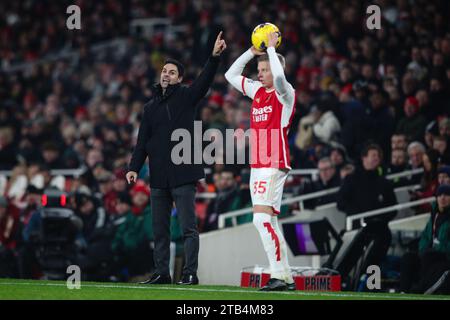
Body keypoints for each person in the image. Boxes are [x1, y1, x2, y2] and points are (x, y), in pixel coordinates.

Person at [126, 32, 226, 285]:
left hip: (184, 173)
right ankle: (162, 273)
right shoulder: (149, 108)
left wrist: (213, 58)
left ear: (180, 78)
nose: (166, 74)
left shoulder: (186, 96)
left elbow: (203, 82)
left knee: (187, 229)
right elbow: (142, 143)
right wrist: (133, 168)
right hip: (159, 176)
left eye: (172, 72)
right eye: (164, 71)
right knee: (160, 231)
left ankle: (190, 273)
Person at [225, 32, 296, 291]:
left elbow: (279, 78)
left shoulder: (285, 93)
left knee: (261, 221)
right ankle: (284, 276)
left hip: (274, 161)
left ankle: (278, 275)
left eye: (265, 69)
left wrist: (272, 48)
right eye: (260, 69)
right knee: (268, 221)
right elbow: (230, 76)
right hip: (258, 164)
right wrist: (251, 53)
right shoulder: (256, 91)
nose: (261, 74)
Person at [336, 144, 397, 287]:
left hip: (378, 230)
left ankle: (367, 283)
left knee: (377, 251)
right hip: (356, 228)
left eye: (378, 156)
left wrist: (380, 218)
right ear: (364, 157)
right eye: (373, 155)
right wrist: (356, 213)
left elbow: (392, 208)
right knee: (348, 260)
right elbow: (340, 202)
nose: (376, 158)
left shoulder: (385, 183)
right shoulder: (351, 179)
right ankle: (339, 282)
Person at [399, 184, 450, 294]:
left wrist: (438, 248)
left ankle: (420, 291)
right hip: (430, 255)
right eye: (440, 195)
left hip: (445, 258)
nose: (442, 197)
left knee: (429, 256)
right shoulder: (434, 215)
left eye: (446, 195)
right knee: (408, 257)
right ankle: (403, 292)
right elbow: (425, 237)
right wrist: (423, 249)